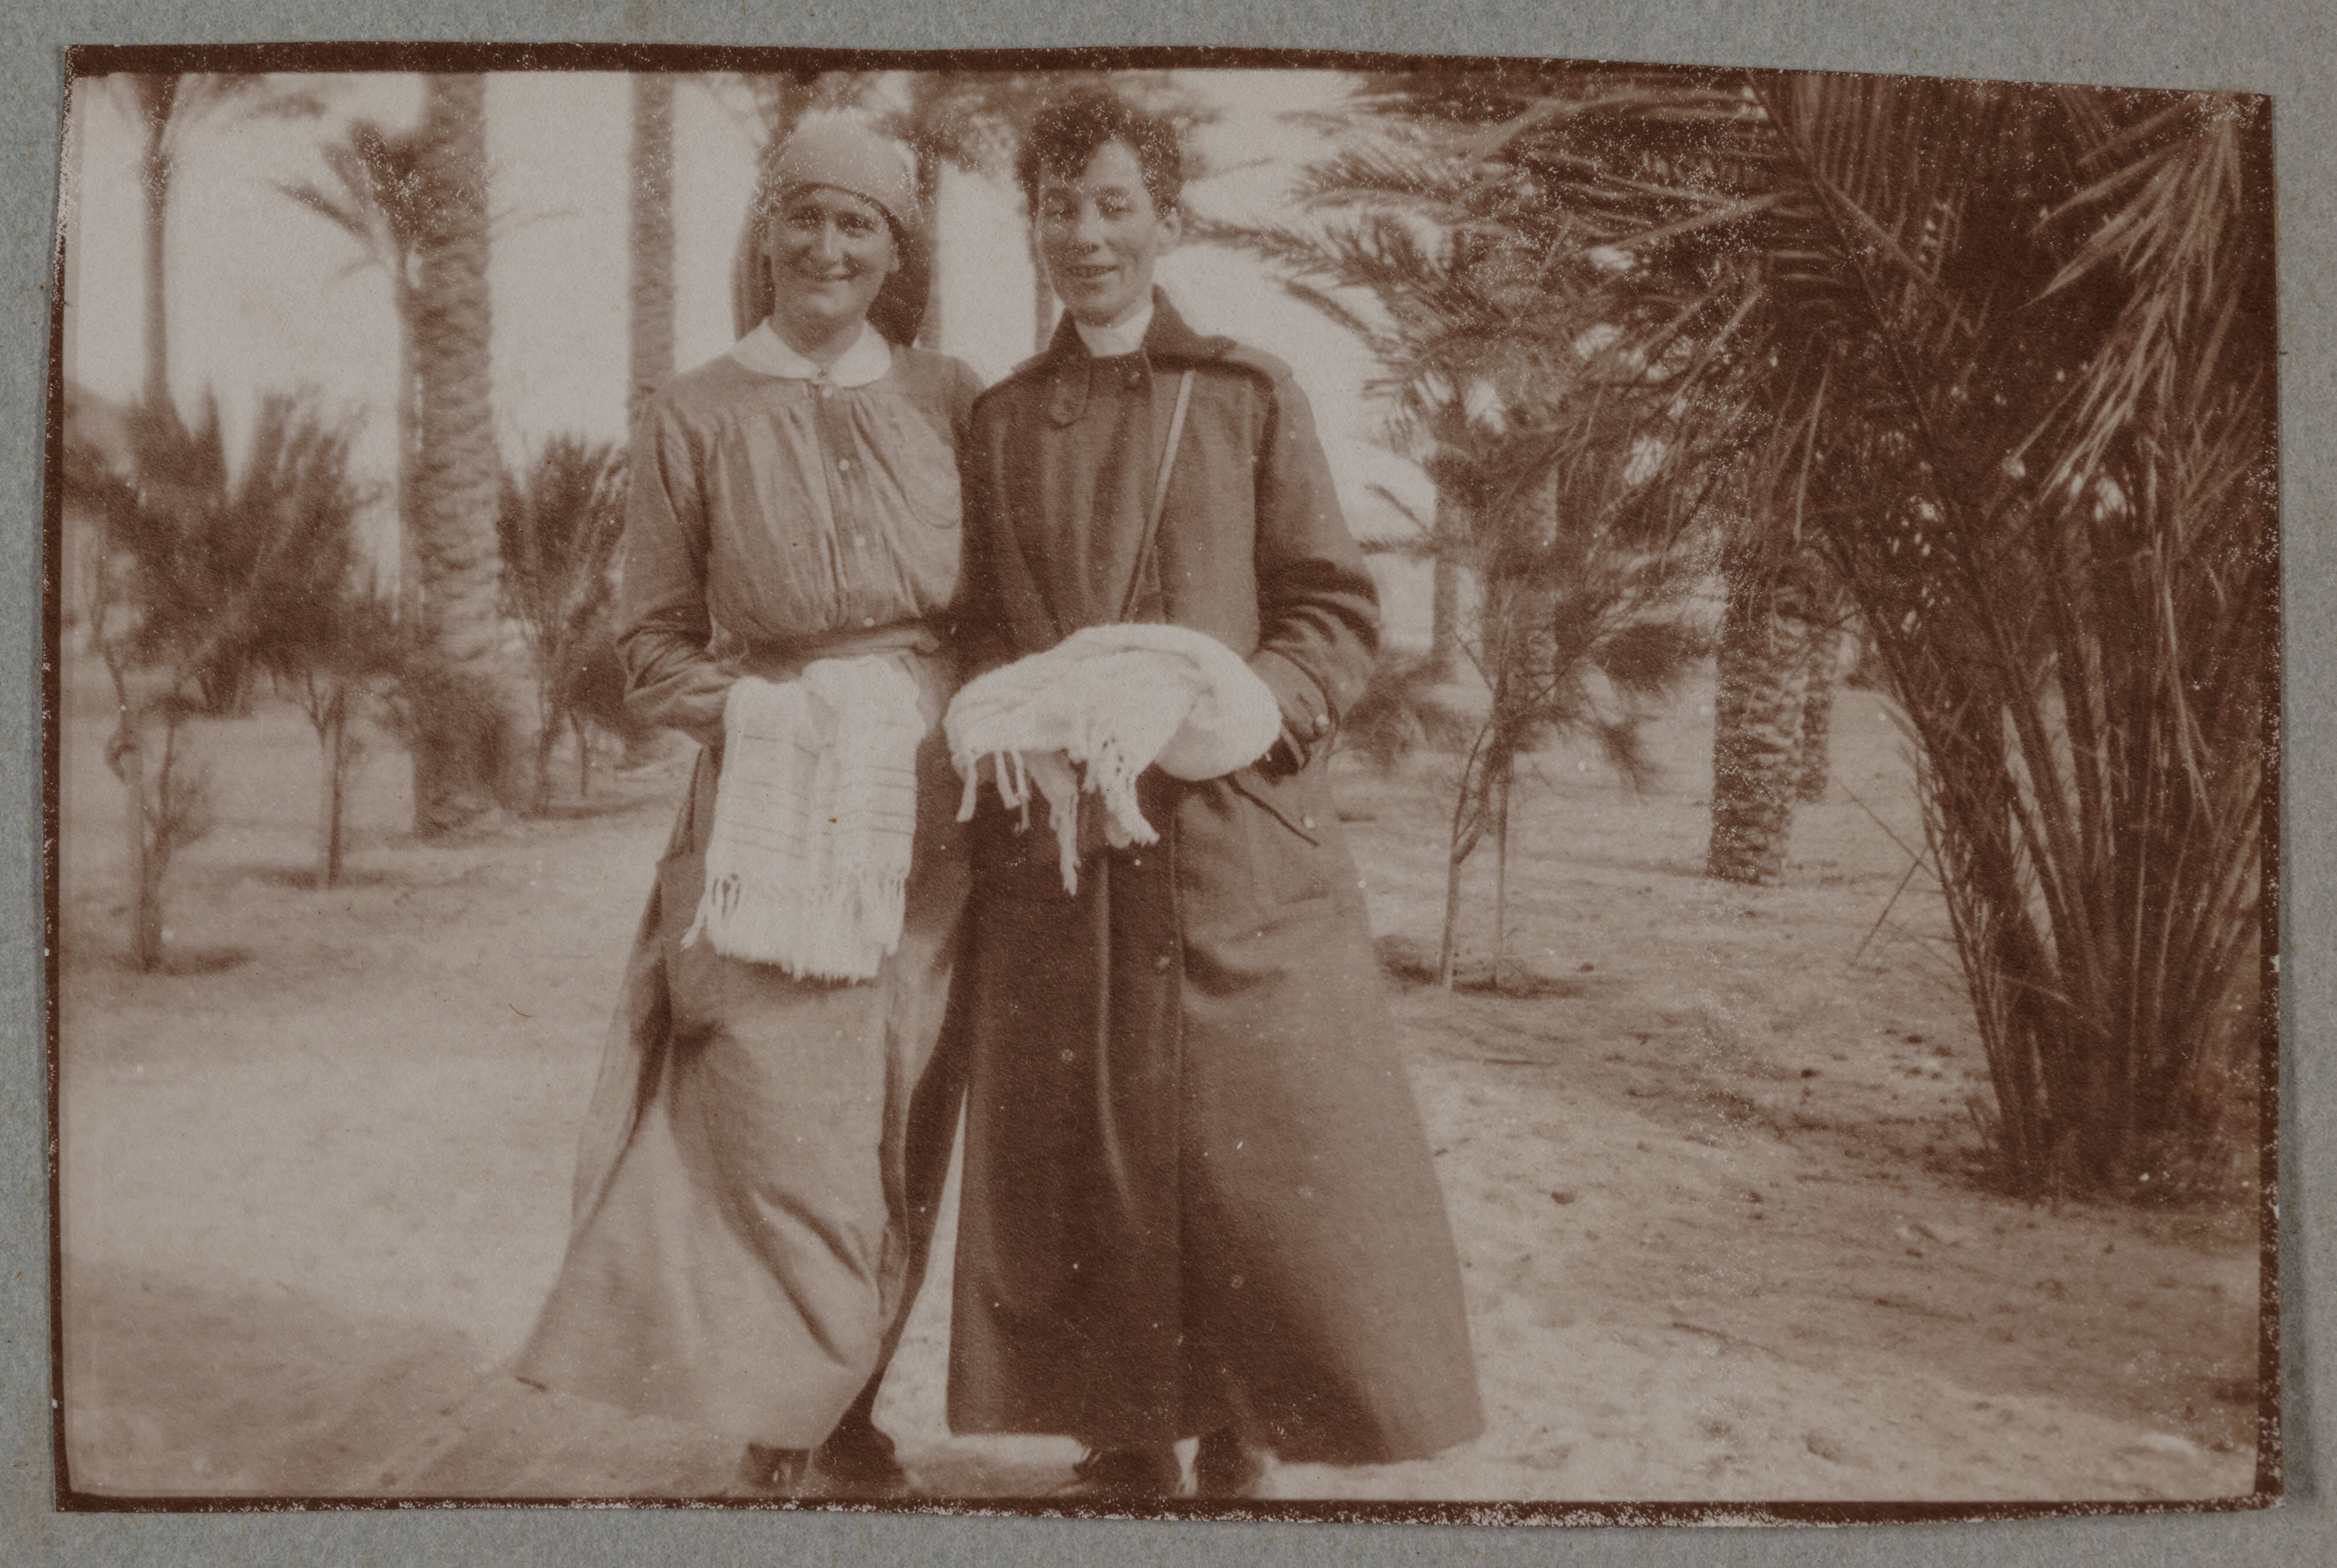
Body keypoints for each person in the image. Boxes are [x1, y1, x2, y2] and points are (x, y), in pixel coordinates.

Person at [945, 91, 1485, 1498]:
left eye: (1115, 203)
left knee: (1253, 1142)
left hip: (1234, 830)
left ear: (1163, 216)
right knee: (1092, 1140)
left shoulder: (1248, 392)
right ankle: (1122, 1436)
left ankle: (1247, 1423)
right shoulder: (1000, 420)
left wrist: (1246, 711)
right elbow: (983, 628)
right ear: (1035, 224)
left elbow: (1330, 610)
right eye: (1060, 207)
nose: (1087, 235)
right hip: (1068, 840)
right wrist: (1030, 715)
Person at [511, 117, 981, 1498]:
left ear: (896, 255)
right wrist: (775, 717)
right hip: (770, 806)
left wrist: (935, 713)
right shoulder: (691, 410)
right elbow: (648, 648)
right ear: (765, 230)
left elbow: (1006, 608)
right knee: (778, 1119)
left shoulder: (954, 397)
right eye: (807, 218)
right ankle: (786, 1411)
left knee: (902, 1114)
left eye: (862, 227)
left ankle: (844, 1402)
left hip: (932, 814)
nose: (829, 249)